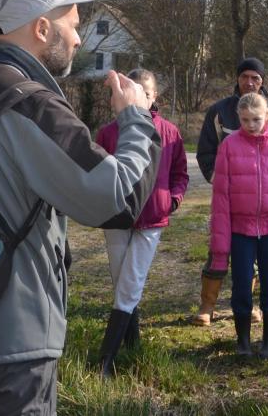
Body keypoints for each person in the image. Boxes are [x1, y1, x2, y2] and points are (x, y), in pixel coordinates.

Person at [0, 0, 159, 413]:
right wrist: (136, 118)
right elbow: (117, 198)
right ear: (42, 29)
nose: (79, 38)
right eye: (73, 24)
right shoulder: (31, 103)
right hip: (8, 352)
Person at [94, 68, 189, 377]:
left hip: (152, 219)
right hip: (117, 218)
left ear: (153, 96)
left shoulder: (170, 132)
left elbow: (180, 174)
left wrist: (172, 199)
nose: (139, 101)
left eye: (145, 95)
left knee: (130, 282)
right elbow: (98, 173)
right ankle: (132, 344)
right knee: (122, 281)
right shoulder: (108, 133)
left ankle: (105, 360)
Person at [192, 57, 268, 326]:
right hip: (229, 198)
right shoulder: (219, 111)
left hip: (263, 202)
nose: (250, 82)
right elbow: (205, 151)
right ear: (237, 79)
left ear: (262, 82)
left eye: (256, 78)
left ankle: (249, 304)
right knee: (217, 247)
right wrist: (219, 180)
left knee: (255, 258)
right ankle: (208, 304)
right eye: (245, 76)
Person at [207, 92, 268, 358]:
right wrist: (219, 250)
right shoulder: (229, 146)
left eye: (256, 119)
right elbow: (221, 199)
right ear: (238, 117)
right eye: (245, 119)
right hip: (240, 229)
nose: (251, 124)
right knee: (241, 284)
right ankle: (243, 341)